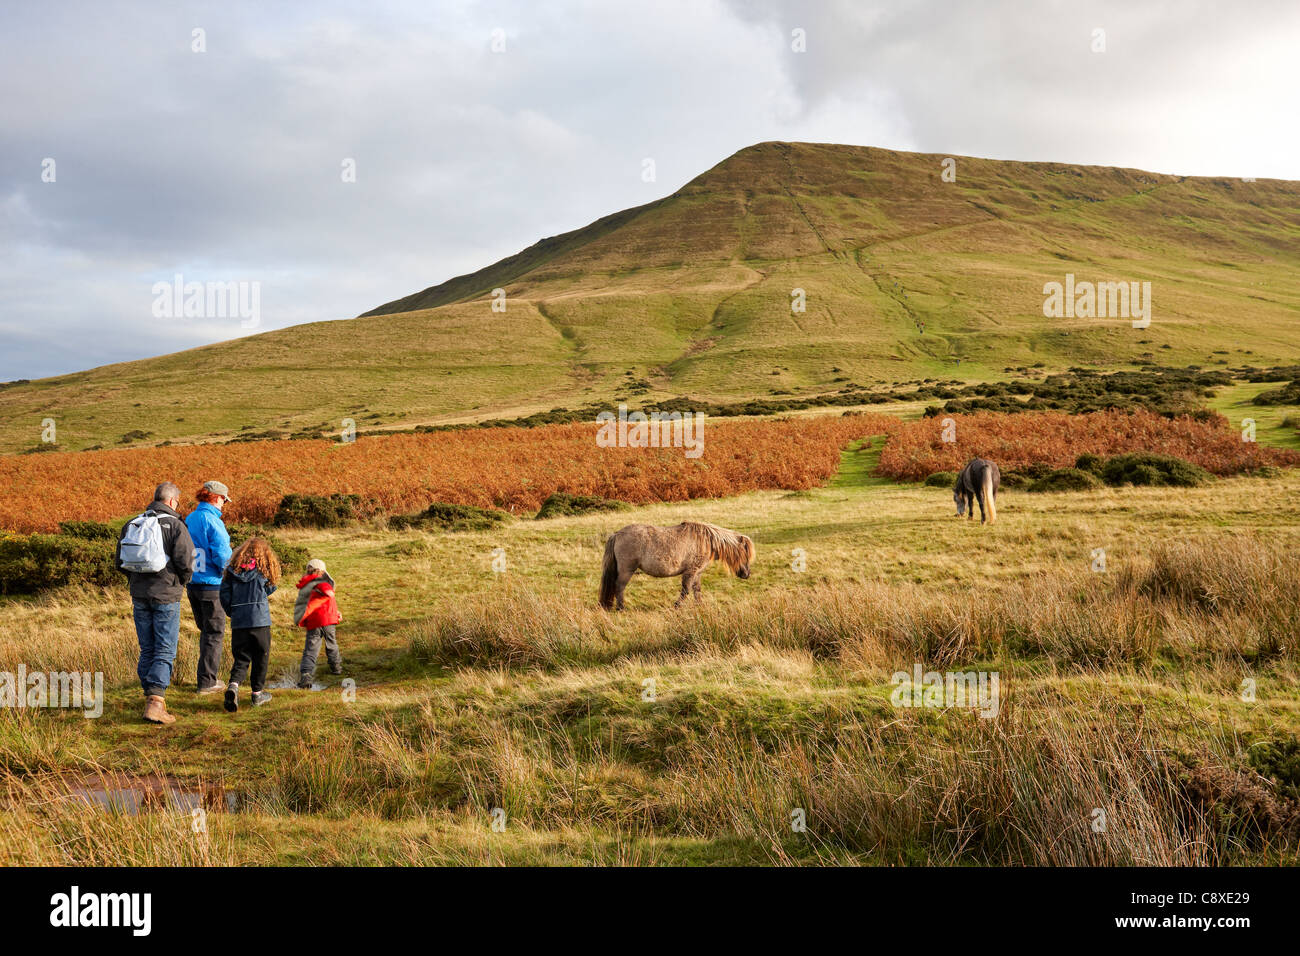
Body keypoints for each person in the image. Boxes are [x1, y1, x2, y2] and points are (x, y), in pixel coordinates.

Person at [115, 481, 195, 725]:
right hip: (166, 595)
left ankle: (150, 697)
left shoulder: (132, 523)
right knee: (165, 648)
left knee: (147, 647)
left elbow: (119, 562)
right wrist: (181, 582)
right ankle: (156, 703)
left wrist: (137, 581)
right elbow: (186, 561)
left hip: (139, 595)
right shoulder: (175, 525)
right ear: (171, 501)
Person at [219, 537, 280, 712]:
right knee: (261, 656)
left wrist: (232, 611)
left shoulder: (231, 572)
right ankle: (257, 694)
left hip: (239, 621)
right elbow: (271, 587)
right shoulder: (263, 570)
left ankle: (234, 685)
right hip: (259, 620)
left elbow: (223, 594)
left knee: (241, 658)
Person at [185, 480, 233, 694]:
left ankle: (206, 678)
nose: (224, 503)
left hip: (193, 584)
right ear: (215, 497)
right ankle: (207, 683)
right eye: (224, 499)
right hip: (212, 585)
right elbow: (222, 554)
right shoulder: (213, 521)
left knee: (206, 632)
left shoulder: (190, 517)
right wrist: (231, 576)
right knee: (214, 634)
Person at [293, 558, 343, 688]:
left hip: (314, 621)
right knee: (331, 644)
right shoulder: (320, 581)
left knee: (311, 649)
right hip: (328, 620)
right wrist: (329, 593)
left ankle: (306, 675)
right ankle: (336, 667)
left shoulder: (306, 583)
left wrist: (335, 612)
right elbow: (328, 592)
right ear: (321, 571)